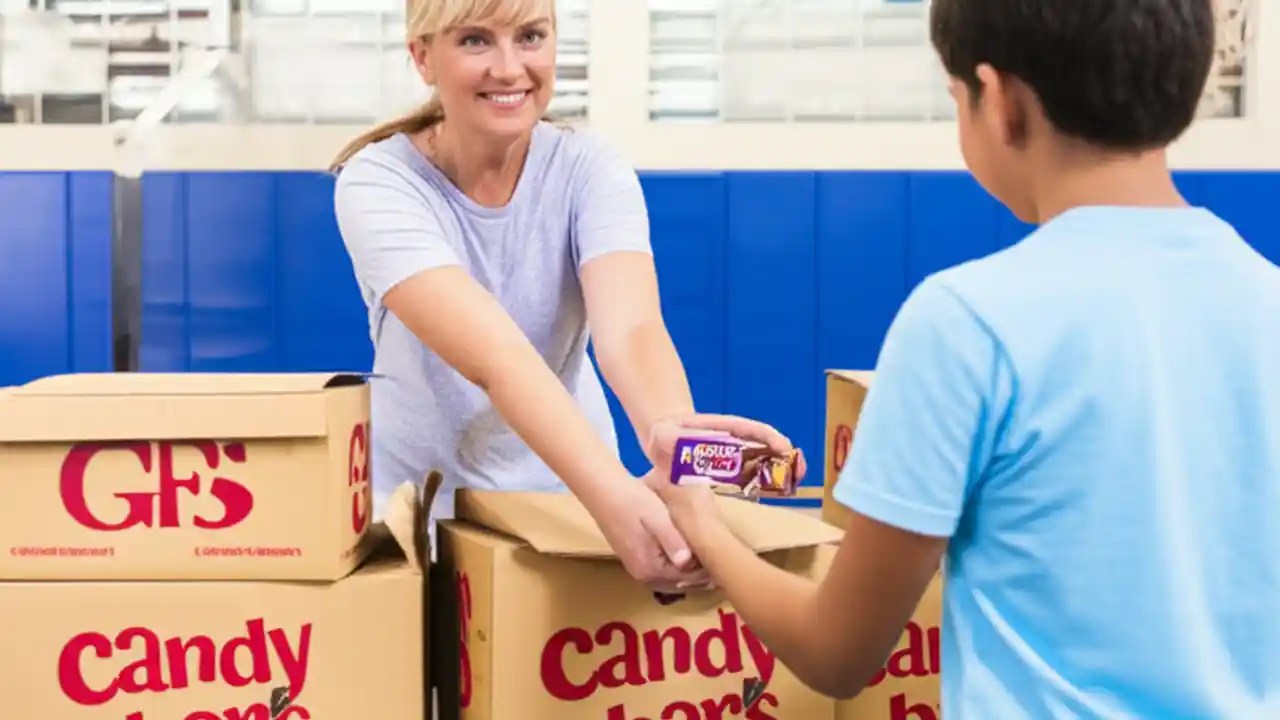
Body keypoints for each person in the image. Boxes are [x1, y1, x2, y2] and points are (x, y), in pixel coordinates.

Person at [654, 0, 1280, 716]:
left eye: (957, 100)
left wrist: (700, 520)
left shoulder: (967, 322)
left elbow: (837, 652)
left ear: (1003, 102)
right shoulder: (1269, 301)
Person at [330, 0, 801, 594]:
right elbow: (497, 357)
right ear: (423, 57)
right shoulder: (378, 182)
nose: (509, 68)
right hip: (421, 512)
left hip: (564, 504)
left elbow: (631, 331)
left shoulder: (589, 168)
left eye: (530, 36)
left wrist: (677, 447)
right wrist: (613, 493)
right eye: (476, 41)